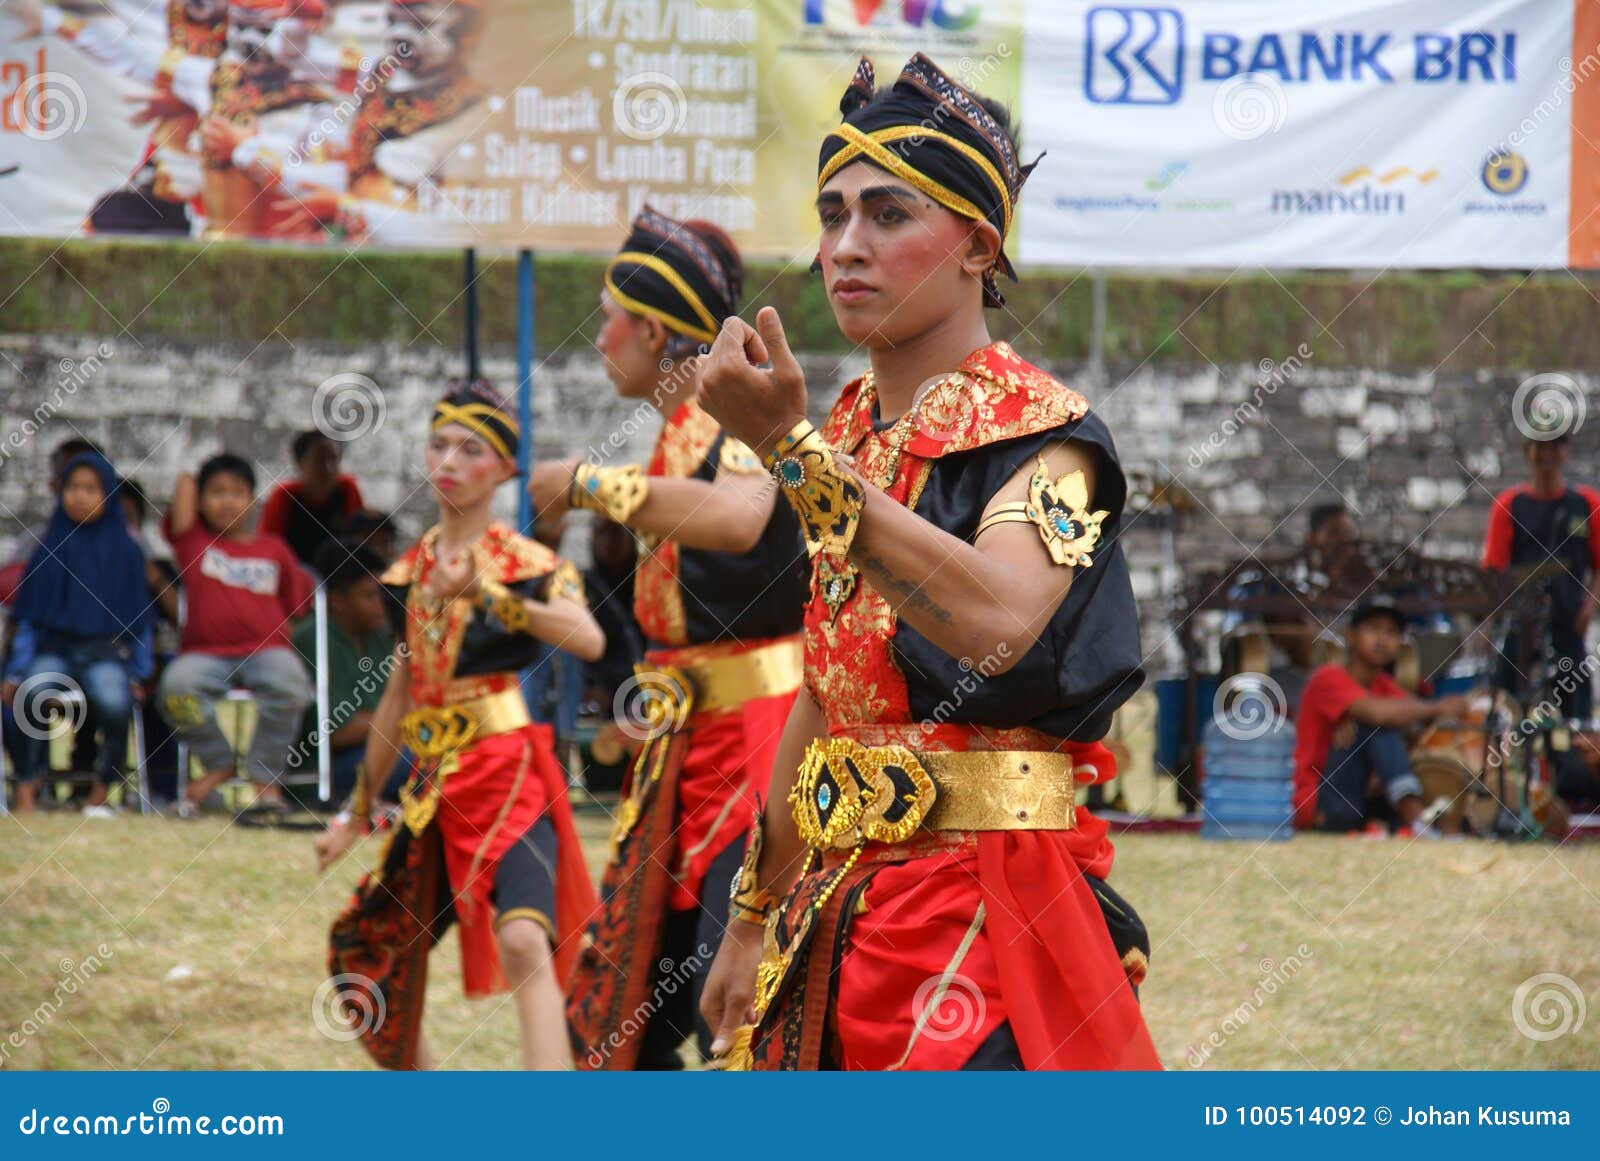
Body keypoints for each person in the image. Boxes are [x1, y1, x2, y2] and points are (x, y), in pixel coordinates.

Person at [692, 54, 1158, 1070]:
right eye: (830, 216)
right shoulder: (851, 432)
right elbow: (829, 690)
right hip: (837, 900)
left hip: (986, 906)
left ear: (975, 245)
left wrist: (791, 455)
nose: (845, 247)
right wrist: (748, 912)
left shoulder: (1059, 444)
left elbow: (994, 621)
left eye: (888, 216)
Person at [527, 208, 810, 1069]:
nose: (601, 335)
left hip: (759, 741)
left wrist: (584, 484)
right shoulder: (674, 433)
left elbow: (737, 516)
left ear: (653, 330)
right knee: (621, 1001)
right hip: (682, 741)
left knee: (737, 999)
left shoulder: (737, 413)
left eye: (610, 315)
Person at [313, 383, 603, 1071]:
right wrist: (354, 813)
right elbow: (398, 699)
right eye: (439, 444)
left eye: (471, 449)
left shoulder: (528, 566)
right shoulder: (412, 571)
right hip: (433, 787)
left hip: (509, 772)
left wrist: (488, 594)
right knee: (365, 956)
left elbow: (587, 638)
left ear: (504, 468)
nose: (448, 460)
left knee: (527, 942)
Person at [157, 453, 315, 817]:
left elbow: (297, 605)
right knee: (176, 691)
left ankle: (265, 781)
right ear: (199, 501)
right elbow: (183, 487)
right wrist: (192, 471)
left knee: (291, 686)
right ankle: (219, 763)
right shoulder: (194, 543)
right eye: (216, 492)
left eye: (237, 492)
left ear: (253, 501)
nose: (227, 500)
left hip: (266, 650)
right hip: (204, 654)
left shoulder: (274, 548)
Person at [2, 453, 155, 815]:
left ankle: (100, 792)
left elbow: (139, 620)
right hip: (54, 650)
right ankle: (27, 788)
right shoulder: (47, 547)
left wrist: (138, 671)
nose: (80, 497)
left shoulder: (126, 552)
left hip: (105, 652)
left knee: (116, 704)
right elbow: (29, 619)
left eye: (91, 489)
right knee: (31, 695)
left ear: (109, 495)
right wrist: (16, 671)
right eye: (72, 488)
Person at [1292, 597, 1470, 834]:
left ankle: (1439, 822)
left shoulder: (1384, 686)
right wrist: (1436, 708)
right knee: (1376, 725)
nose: (1382, 640)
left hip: (1361, 797)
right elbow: (1380, 713)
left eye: (1392, 632)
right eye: (1373, 629)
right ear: (1351, 636)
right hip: (1318, 803)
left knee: (1390, 728)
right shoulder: (1327, 677)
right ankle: (1416, 817)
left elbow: (1410, 714)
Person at [1482, 424, 1600, 719]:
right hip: (1521, 620)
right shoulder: (1509, 505)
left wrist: (1590, 605)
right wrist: (1489, 622)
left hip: (1569, 621)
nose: (1547, 454)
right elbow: (1493, 571)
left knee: (1575, 708)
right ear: (1527, 452)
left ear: (1565, 452)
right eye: (1539, 446)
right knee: (1505, 703)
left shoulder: (1586, 504)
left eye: (1554, 446)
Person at [286, 542, 394, 804]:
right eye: (370, 596)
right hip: (326, 770)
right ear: (337, 600)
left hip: (377, 751)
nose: (382, 605)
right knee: (418, 763)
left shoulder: (379, 636)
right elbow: (337, 732)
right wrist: (399, 718)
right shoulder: (313, 637)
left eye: (383, 594)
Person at [258, 430, 367, 567]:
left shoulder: (348, 489)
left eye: (333, 459)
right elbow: (268, 545)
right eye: (319, 460)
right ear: (299, 463)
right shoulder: (284, 496)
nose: (328, 468)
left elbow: (362, 540)